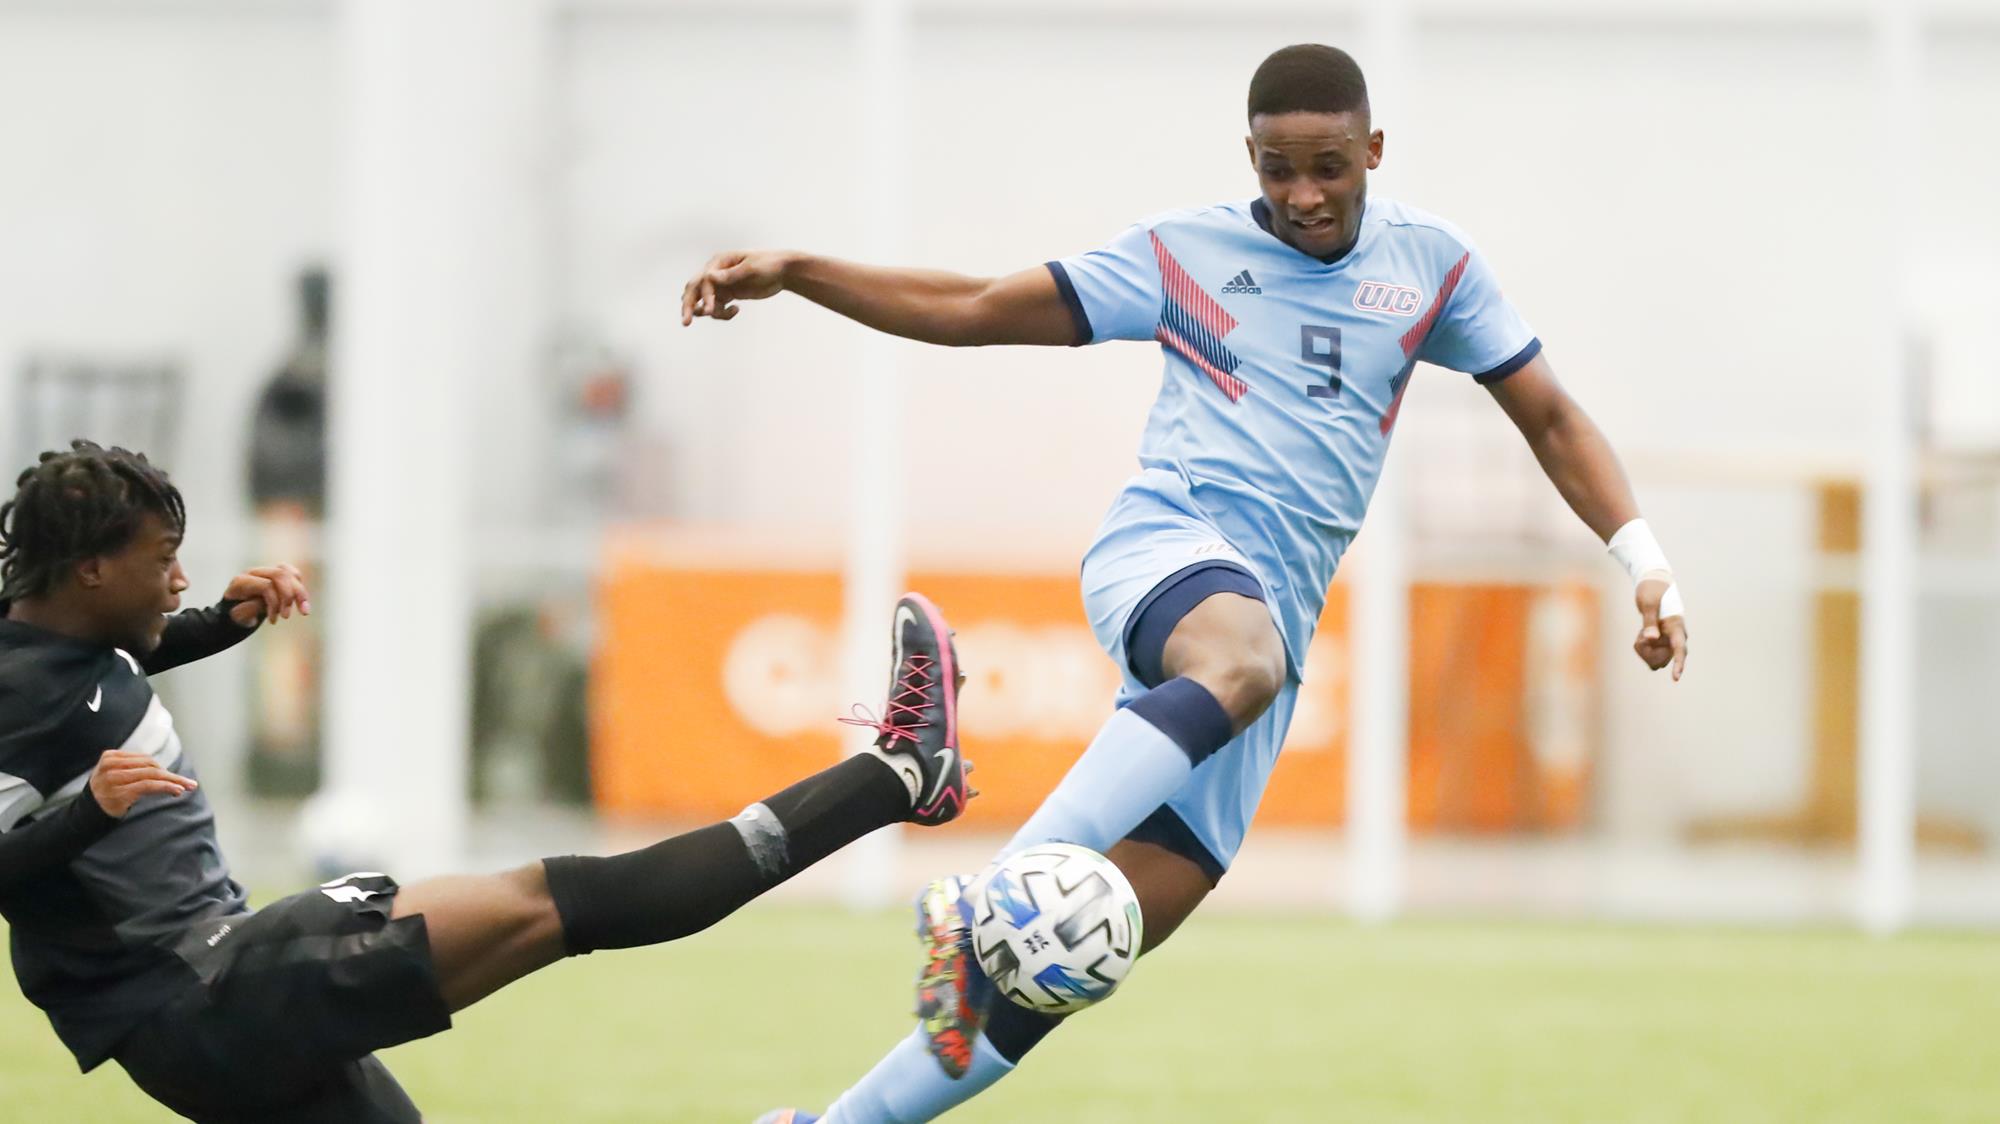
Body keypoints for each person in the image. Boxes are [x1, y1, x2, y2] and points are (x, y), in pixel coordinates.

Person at [680, 43, 1689, 1124]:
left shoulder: (1432, 267)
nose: (1302, 195)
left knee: (1072, 953)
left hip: (1272, 642)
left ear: (1373, 152)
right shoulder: (1182, 257)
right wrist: (799, 271)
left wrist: (1643, 558)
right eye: (1276, 168)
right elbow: (974, 302)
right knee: (1228, 666)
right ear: (1246, 155)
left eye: (1329, 167)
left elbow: (1546, 413)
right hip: (1168, 548)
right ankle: (982, 895)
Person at [0, 440, 970, 1122]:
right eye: (161, 564)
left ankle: (897, 774)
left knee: (554, 904)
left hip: (213, 987)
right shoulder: (20, 696)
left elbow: (107, 676)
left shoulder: (65, 646)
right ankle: (895, 775)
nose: (177, 582)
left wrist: (225, 620)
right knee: (558, 902)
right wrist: (92, 810)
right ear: (89, 572)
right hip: (205, 996)